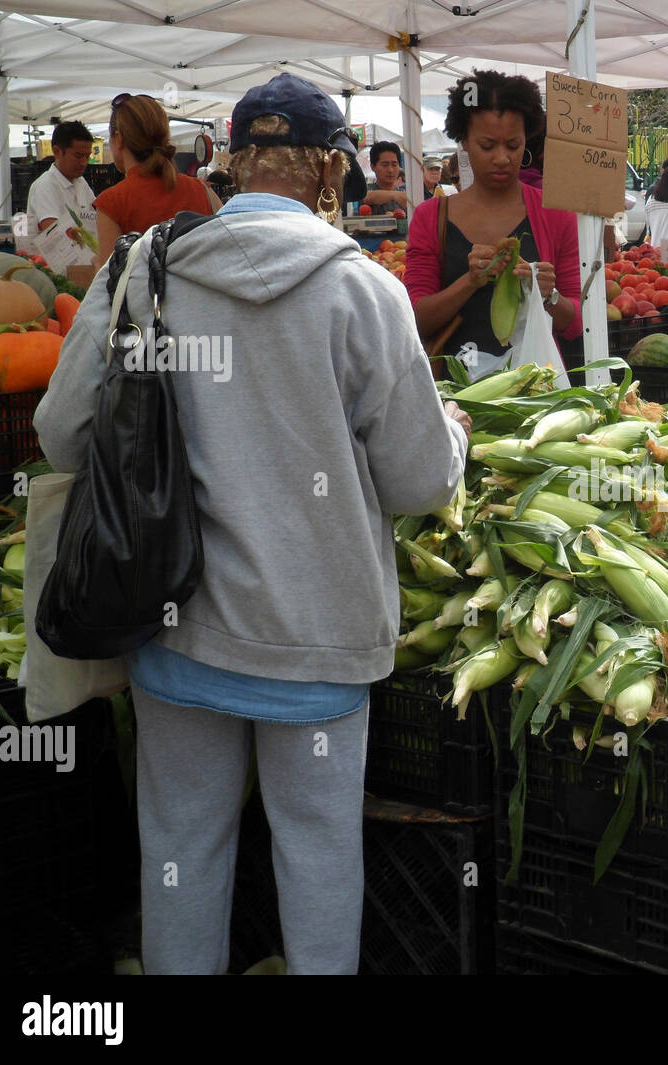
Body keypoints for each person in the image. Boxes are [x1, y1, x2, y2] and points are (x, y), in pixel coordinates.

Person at [34, 72, 471, 975]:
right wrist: (452, 434)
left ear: (232, 163)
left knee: (183, 850)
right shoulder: (364, 294)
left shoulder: (139, 268)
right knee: (317, 855)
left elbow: (59, 434)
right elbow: (424, 480)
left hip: (174, 626)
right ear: (329, 174)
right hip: (320, 639)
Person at [405, 69, 582, 374]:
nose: (501, 158)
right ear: (464, 141)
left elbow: (576, 324)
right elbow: (415, 319)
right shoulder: (430, 217)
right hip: (454, 399)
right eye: (487, 146)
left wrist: (549, 295)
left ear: (527, 140)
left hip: (535, 393)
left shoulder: (556, 216)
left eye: (513, 145)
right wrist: (469, 282)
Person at [94, 94, 221, 264]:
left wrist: (96, 265)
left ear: (119, 139)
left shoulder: (112, 203)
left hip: (146, 291)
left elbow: (108, 284)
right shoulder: (204, 191)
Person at [25, 121, 97, 258]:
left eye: (87, 156)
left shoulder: (81, 183)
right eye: (78, 156)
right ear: (57, 151)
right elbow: (53, 233)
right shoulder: (45, 185)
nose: (84, 162)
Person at [364, 141, 410, 215]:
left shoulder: (404, 195)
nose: (390, 170)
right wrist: (394, 195)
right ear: (373, 167)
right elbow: (368, 197)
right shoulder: (366, 190)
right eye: (385, 165)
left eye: (394, 165)